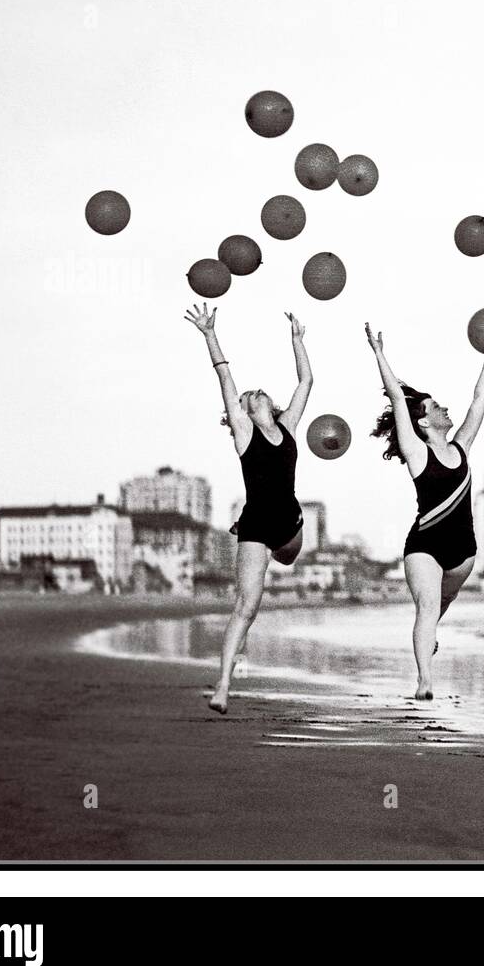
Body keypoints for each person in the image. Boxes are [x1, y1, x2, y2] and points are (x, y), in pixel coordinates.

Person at [183, 303, 313, 715]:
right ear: (242, 410)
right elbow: (224, 375)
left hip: (290, 528)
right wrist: (209, 334)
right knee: (246, 605)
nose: (254, 393)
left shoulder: (289, 425)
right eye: (248, 396)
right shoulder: (243, 434)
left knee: (289, 560)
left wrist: (297, 341)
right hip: (256, 528)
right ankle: (222, 686)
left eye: (258, 393)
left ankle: (280, 554)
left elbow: (307, 380)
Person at [366, 323, 484, 701]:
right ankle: (425, 680)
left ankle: (428, 637)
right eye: (436, 406)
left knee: (440, 604)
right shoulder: (417, 452)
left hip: (464, 553)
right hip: (425, 544)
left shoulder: (462, 446)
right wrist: (379, 353)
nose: (444, 408)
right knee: (426, 606)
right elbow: (395, 397)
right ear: (422, 421)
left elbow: (480, 401)